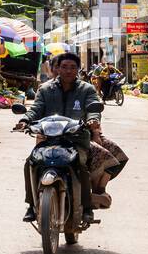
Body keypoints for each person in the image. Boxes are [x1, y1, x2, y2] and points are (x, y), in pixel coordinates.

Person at [20, 51, 101, 224]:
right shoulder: (46, 89)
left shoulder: (86, 89)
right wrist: (25, 119)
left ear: (78, 70)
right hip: (49, 139)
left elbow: (93, 108)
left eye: (72, 67)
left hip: (76, 140)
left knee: (81, 166)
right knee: (30, 163)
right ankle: (31, 205)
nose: (68, 71)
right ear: (57, 68)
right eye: (64, 67)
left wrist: (93, 119)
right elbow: (36, 108)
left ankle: (87, 208)